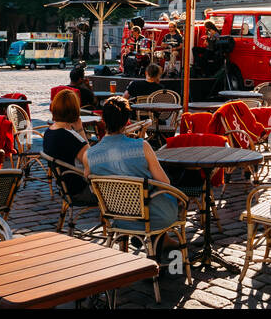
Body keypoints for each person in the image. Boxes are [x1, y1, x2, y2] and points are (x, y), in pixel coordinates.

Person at [87, 98, 179, 241]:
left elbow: (92, 187)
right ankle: (161, 244)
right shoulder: (142, 146)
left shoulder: (90, 155)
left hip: (117, 217)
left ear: (103, 120)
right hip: (152, 216)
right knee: (169, 193)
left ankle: (154, 242)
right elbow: (165, 183)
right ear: (127, 121)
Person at [41, 88, 96, 207]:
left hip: (65, 188)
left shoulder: (49, 132)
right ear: (75, 110)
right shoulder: (70, 137)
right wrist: (81, 130)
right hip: (81, 190)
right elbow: (92, 161)